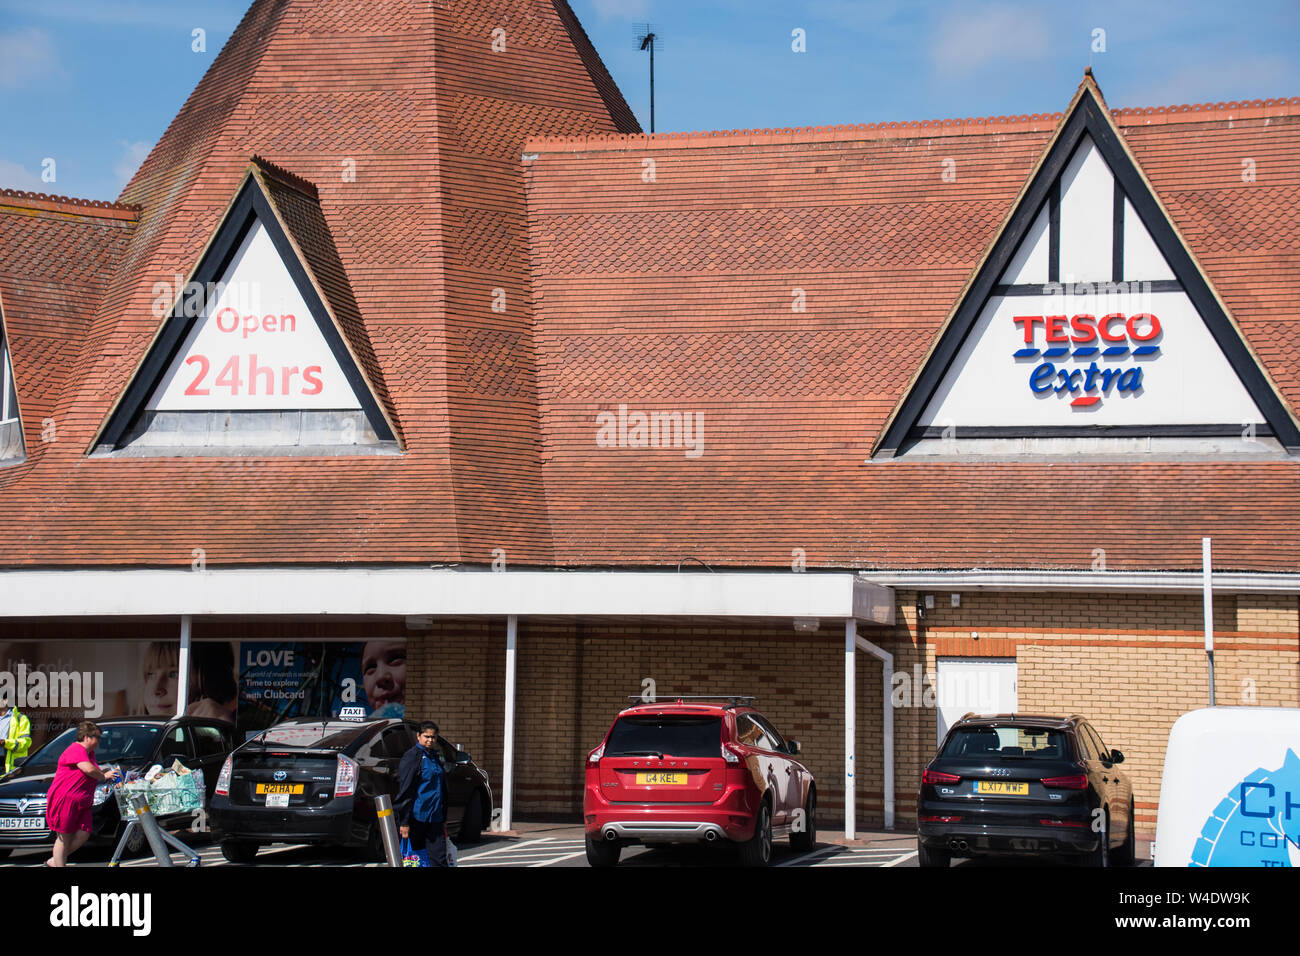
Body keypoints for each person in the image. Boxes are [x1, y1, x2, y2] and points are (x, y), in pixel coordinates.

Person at [45, 720, 120, 866]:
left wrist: (106, 771)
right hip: (66, 800)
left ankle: (55, 860)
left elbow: (92, 769)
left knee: (84, 833)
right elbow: (88, 769)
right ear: (86, 737)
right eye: (97, 737)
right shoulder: (76, 749)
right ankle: (58, 863)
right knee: (64, 837)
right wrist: (104, 776)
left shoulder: (89, 753)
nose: (99, 741)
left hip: (82, 802)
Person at [395, 720, 448, 867]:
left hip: (435, 817)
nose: (430, 740)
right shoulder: (412, 757)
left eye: (433, 737)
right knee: (416, 859)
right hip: (417, 817)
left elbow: (442, 788)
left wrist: (444, 816)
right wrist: (404, 822)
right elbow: (405, 790)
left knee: (439, 859)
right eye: (427, 736)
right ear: (418, 736)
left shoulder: (435, 757)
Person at [0, 692, 31, 775]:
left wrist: (5, 742)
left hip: (9, 768)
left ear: (5, 701)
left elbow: (25, 742)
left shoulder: (20, 719)